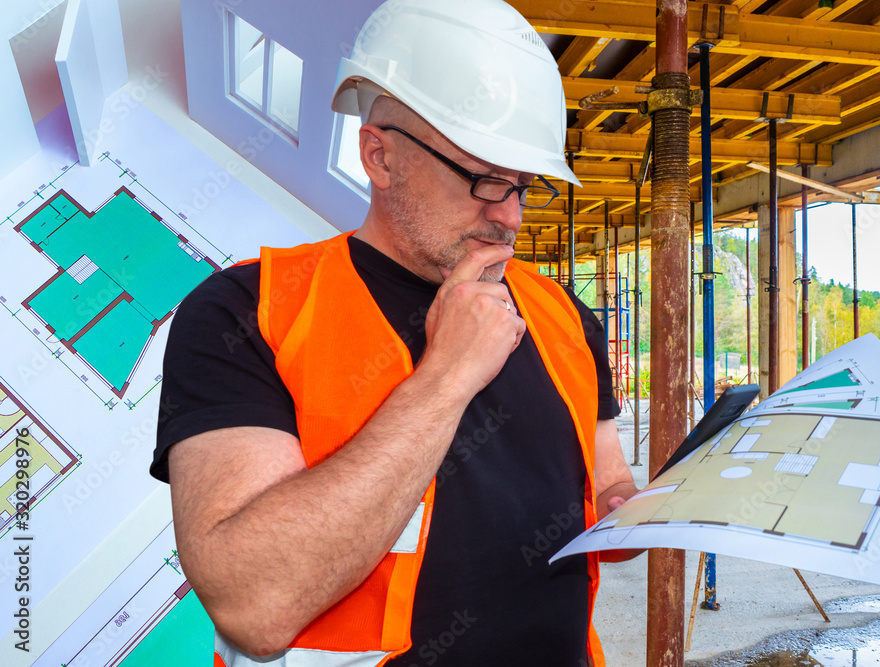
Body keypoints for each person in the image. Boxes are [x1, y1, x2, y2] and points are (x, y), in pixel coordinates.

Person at [151, 1, 639, 665]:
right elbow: (253, 602)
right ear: (379, 155)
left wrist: (643, 507)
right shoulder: (246, 313)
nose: (508, 215)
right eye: (484, 179)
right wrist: (447, 375)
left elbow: (606, 481)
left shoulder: (561, 315)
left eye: (524, 186)